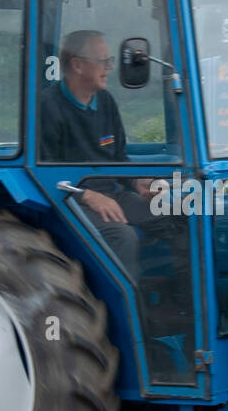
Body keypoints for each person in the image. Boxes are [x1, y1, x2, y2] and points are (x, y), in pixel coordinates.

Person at [39, 30, 157, 276]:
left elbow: (119, 158)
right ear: (78, 65)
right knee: (122, 236)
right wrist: (86, 195)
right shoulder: (47, 107)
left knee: (174, 214)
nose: (110, 67)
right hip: (69, 203)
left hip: (111, 195)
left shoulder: (105, 101)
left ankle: (172, 302)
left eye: (110, 60)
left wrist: (138, 181)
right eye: (103, 61)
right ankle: (125, 312)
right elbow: (43, 176)